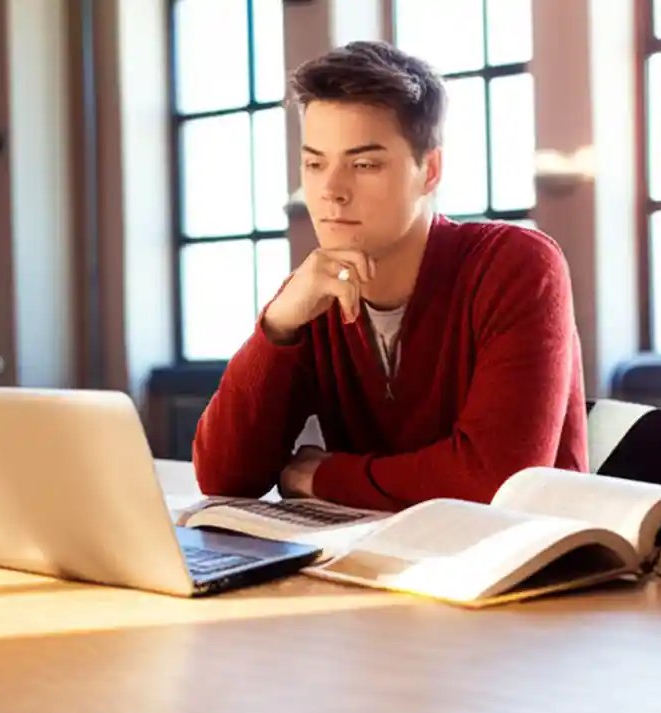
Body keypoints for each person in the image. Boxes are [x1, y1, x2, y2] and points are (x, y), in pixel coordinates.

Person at [192, 40, 587, 511]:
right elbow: (224, 477)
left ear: (430, 170)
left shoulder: (516, 265)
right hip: (378, 567)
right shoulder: (313, 294)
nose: (331, 192)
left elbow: (496, 482)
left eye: (364, 164)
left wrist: (322, 475)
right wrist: (276, 327)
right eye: (315, 163)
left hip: (539, 571)